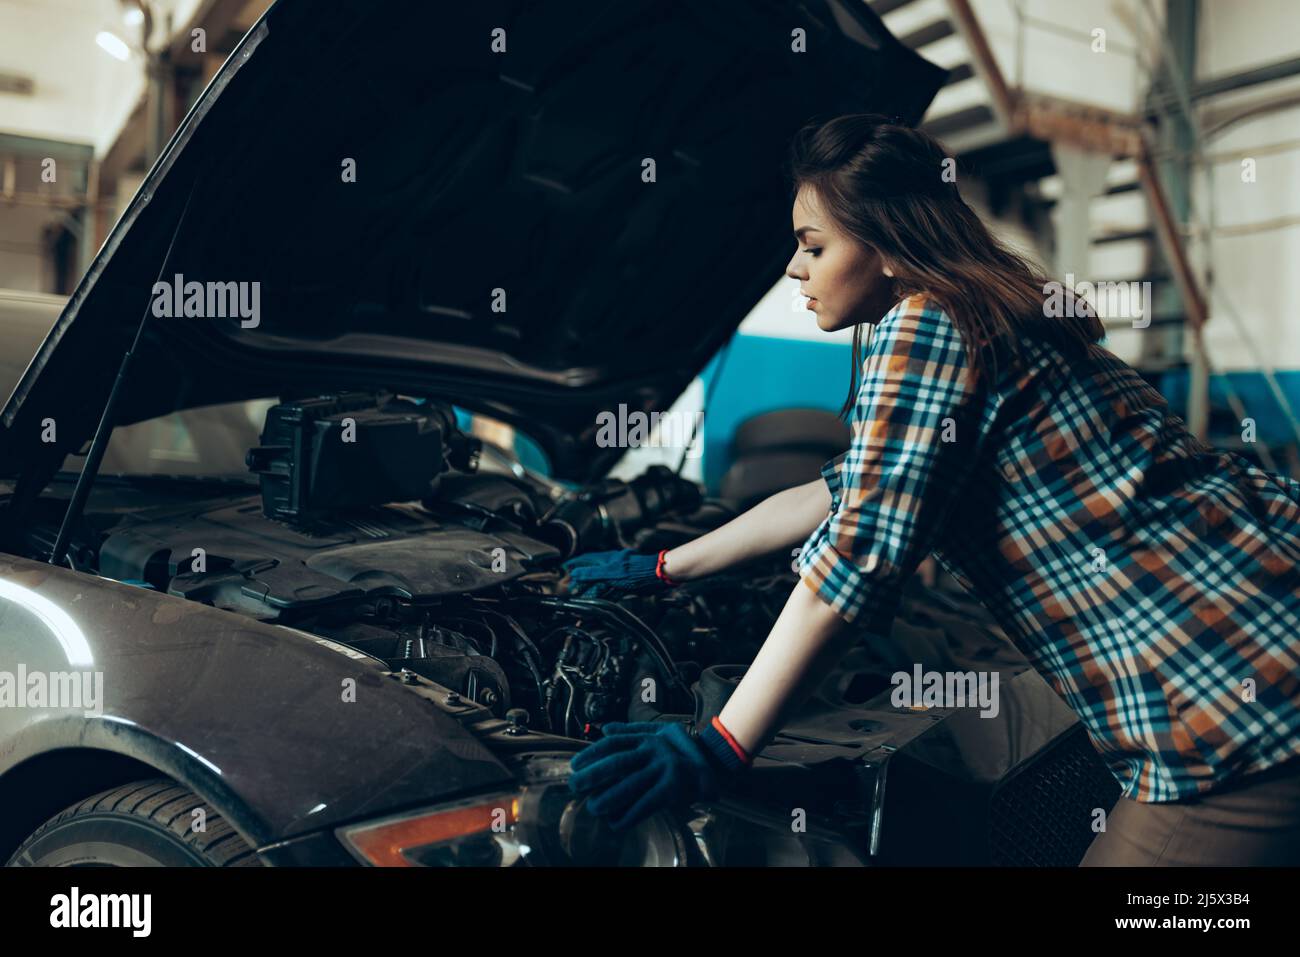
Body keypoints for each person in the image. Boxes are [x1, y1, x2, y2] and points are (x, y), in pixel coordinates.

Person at [563, 113, 1300, 865]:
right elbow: (838, 491)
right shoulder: (985, 306)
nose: (793, 268)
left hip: (1227, 694)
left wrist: (722, 743)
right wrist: (667, 565)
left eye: (814, 245)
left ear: (885, 245)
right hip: (1259, 637)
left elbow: (858, 560)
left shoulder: (928, 321)